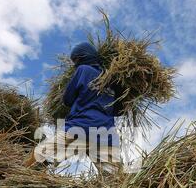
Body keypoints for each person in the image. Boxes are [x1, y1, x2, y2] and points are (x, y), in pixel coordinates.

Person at [25, 42, 123, 174]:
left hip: (79, 128)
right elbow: (118, 111)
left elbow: (67, 100)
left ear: (83, 57)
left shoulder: (83, 70)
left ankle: (11, 182)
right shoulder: (112, 82)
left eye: (75, 60)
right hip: (105, 134)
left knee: (39, 156)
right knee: (114, 179)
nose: (75, 65)